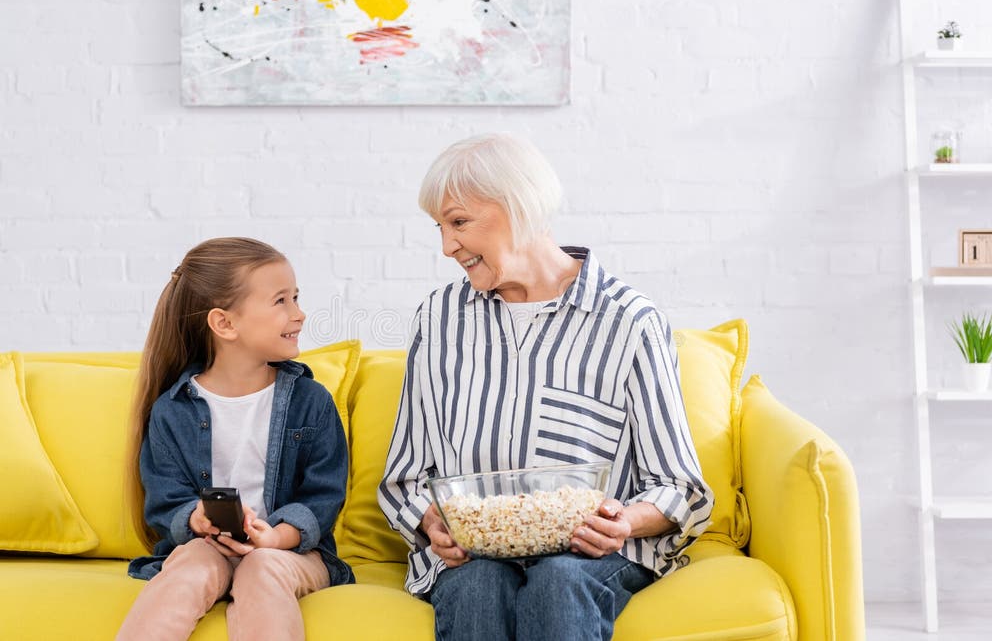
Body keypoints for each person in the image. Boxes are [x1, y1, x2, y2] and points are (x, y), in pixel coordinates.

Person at [378, 133, 714, 641]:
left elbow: (681, 487)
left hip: (589, 558)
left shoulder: (627, 321)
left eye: (459, 222)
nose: (447, 247)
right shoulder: (440, 319)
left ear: (518, 207)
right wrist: (431, 522)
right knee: (476, 584)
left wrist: (623, 522)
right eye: (441, 228)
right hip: (476, 552)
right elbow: (403, 479)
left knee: (558, 581)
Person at [118, 237, 354, 641]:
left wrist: (277, 537)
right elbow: (166, 501)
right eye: (281, 301)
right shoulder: (171, 411)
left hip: (290, 553)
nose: (299, 314)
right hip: (206, 548)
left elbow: (323, 497)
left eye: (296, 297)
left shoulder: (310, 402)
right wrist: (199, 520)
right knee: (191, 563)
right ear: (224, 323)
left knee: (262, 567)